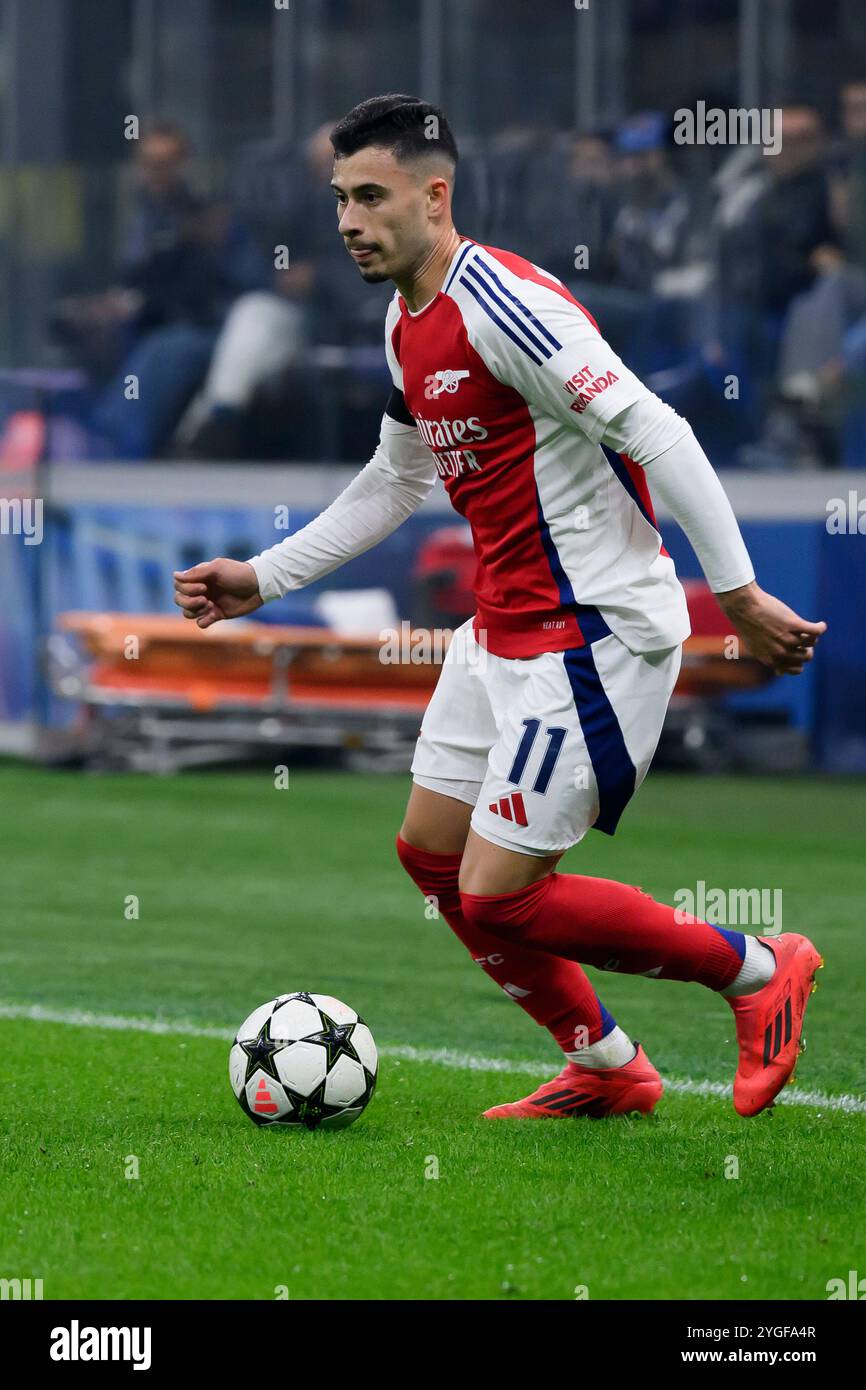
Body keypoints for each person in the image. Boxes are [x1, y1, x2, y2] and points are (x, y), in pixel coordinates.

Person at [173, 95, 826, 1122]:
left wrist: (735, 594)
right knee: (429, 855)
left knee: (499, 892)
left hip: (593, 630)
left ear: (434, 196)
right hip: (503, 631)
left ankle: (754, 967)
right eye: (340, 198)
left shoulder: (507, 308)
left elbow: (658, 430)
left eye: (371, 196)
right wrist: (264, 576)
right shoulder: (404, 323)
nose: (348, 219)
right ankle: (606, 1063)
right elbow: (394, 480)